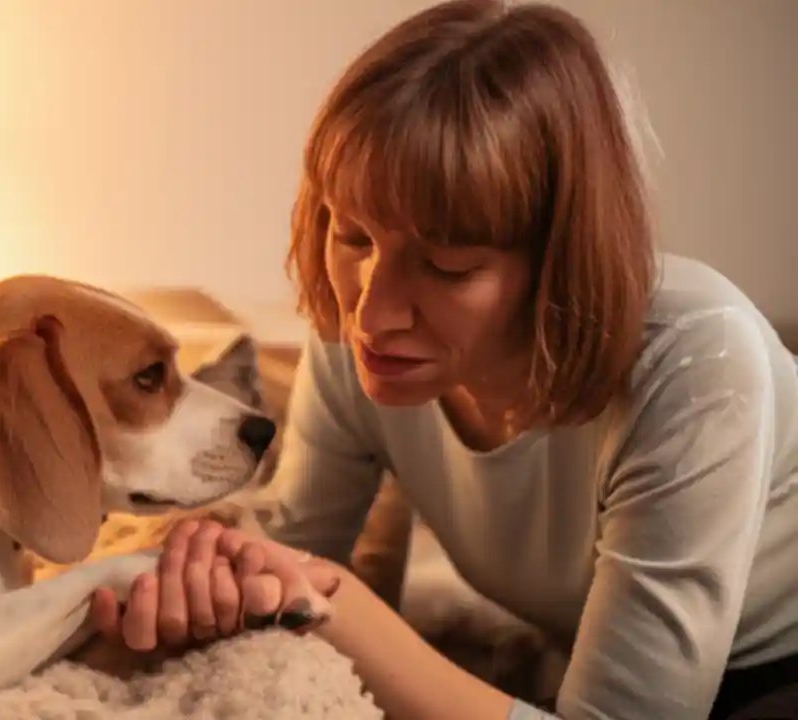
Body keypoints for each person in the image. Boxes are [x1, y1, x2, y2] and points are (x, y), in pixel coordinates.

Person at [88, 1, 798, 718]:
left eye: (449, 265)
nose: (373, 314)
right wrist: (207, 582)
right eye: (354, 237)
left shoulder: (696, 361)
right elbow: (293, 551)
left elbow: (316, 587)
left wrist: (331, 607)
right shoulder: (356, 345)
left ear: (561, 262)